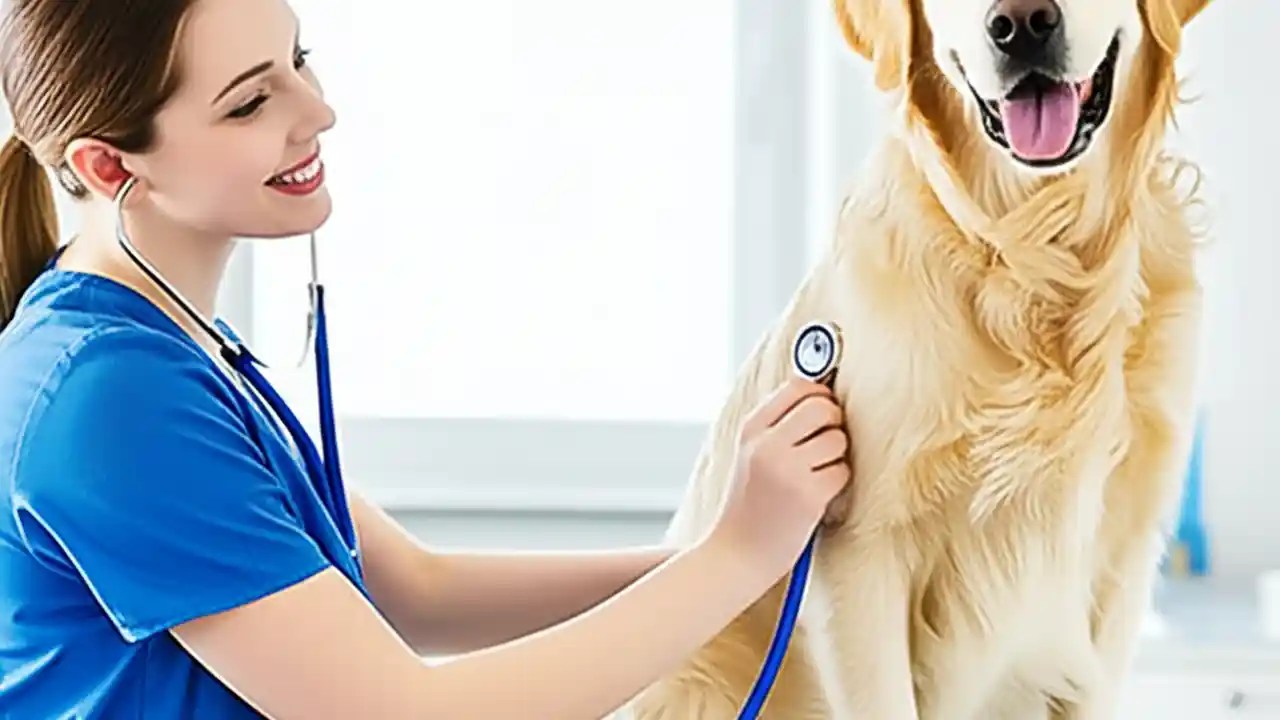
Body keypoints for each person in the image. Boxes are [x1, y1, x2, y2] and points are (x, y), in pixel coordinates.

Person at [0, 0, 853, 718]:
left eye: (298, 61)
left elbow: (418, 591)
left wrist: (744, 556)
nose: (317, 112)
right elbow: (404, 713)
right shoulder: (110, 398)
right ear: (107, 165)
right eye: (251, 103)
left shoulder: (162, 343)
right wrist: (736, 555)